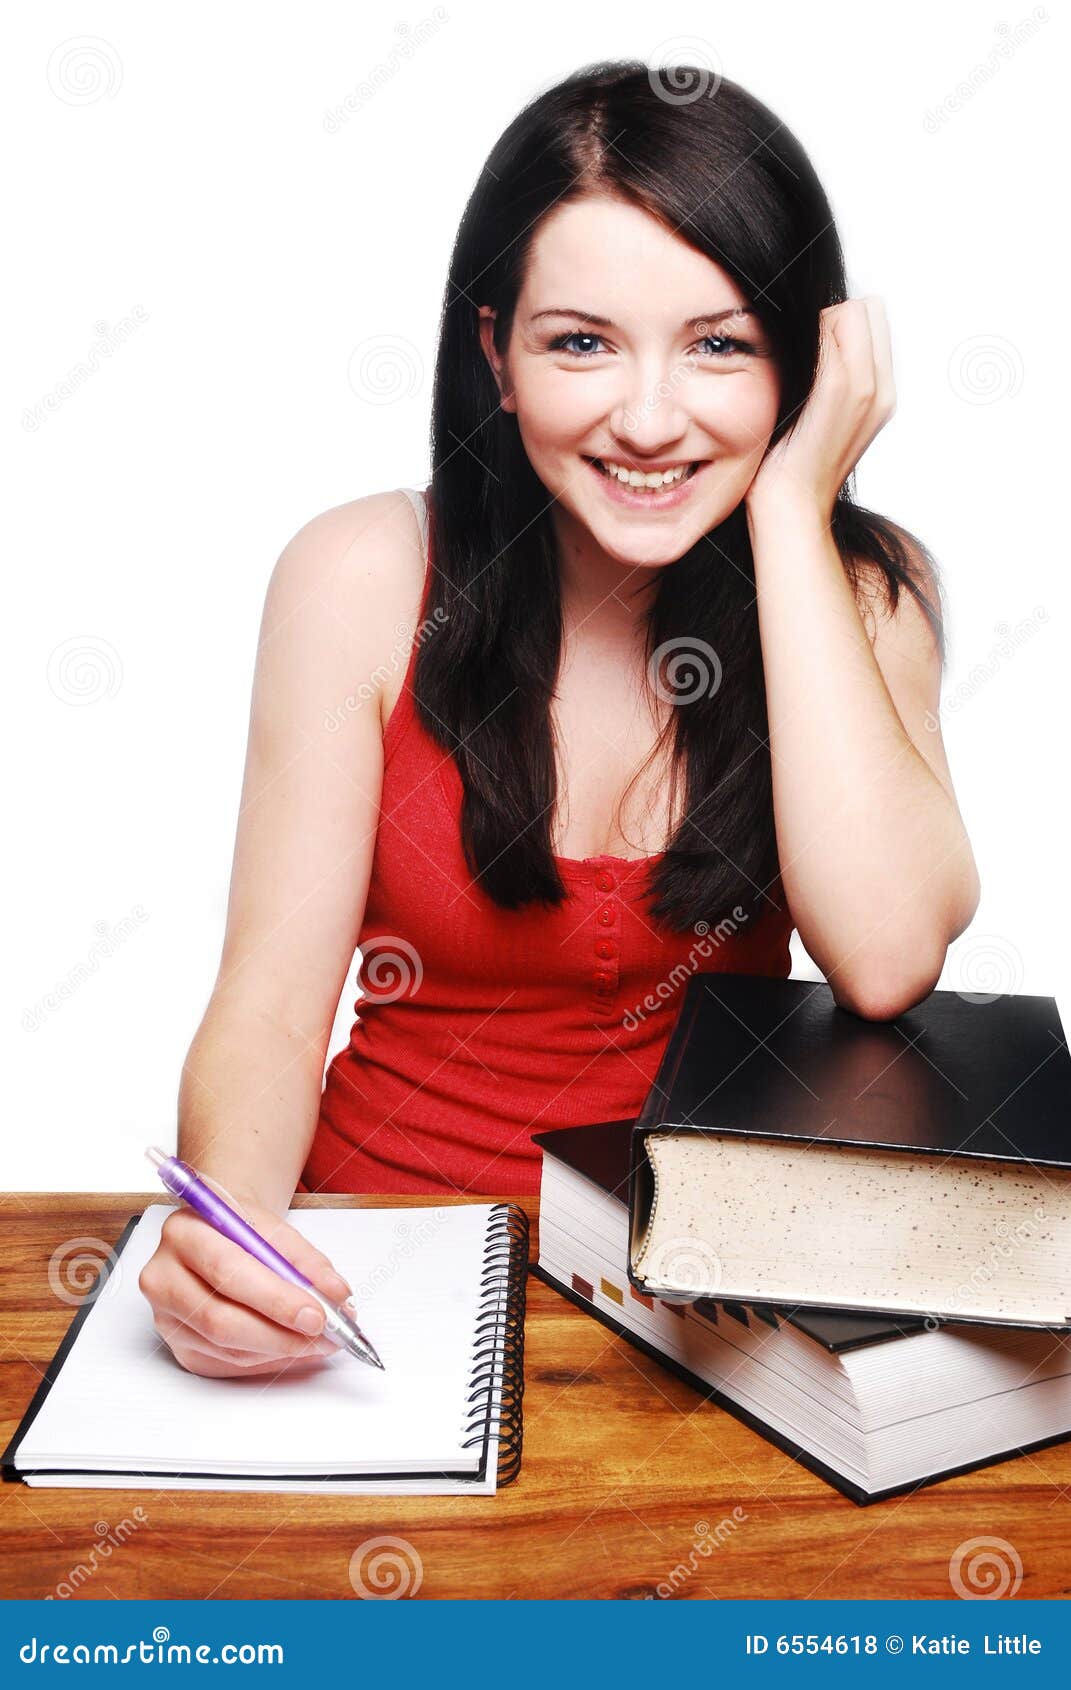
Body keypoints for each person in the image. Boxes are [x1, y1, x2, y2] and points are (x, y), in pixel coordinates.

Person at [139, 61, 980, 1376]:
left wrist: (787, 513)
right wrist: (238, 1239)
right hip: (382, 1264)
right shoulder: (359, 581)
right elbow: (266, 1008)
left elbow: (882, 955)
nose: (647, 419)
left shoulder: (861, 594)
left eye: (722, 345)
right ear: (497, 354)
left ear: (803, 366)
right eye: (580, 341)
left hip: (703, 1300)